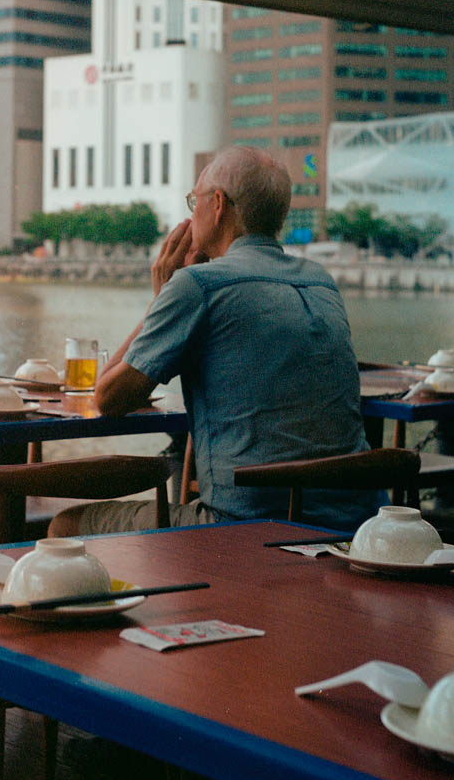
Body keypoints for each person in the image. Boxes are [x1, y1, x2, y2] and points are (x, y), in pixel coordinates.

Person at [49, 145, 375, 536]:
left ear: (218, 204)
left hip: (244, 525)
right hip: (352, 523)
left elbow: (108, 398)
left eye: (194, 201)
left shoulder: (197, 285)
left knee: (66, 526)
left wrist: (161, 298)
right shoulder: (320, 281)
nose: (192, 213)